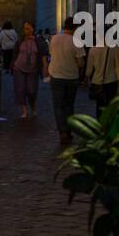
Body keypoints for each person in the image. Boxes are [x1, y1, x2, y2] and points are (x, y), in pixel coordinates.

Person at [47, 16, 84, 144]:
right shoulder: (76, 41)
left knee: (58, 105)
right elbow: (80, 63)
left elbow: (51, 54)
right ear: (75, 27)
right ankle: (68, 129)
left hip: (56, 75)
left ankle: (62, 130)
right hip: (71, 77)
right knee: (69, 105)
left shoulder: (54, 39)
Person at [85, 41, 119, 111]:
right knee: (111, 105)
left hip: (97, 82)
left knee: (99, 105)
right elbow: (118, 65)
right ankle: (109, 121)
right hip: (111, 81)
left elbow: (89, 69)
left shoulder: (93, 49)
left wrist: (86, 77)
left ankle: (100, 120)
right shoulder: (114, 48)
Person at [12, 21, 40, 118]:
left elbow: (42, 53)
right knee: (21, 89)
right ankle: (24, 111)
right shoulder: (20, 40)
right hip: (19, 68)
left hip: (32, 69)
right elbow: (15, 52)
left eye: (28, 28)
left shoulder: (38, 40)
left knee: (32, 90)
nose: (26, 30)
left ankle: (33, 107)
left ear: (33, 29)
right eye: (24, 28)